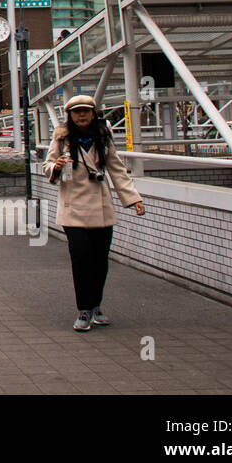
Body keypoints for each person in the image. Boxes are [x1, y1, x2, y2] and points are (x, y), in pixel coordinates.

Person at [41, 94, 146, 332]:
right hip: (73, 209)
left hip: (100, 208)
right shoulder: (62, 138)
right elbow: (47, 165)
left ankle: (96, 305)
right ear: (69, 115)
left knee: (100, 262)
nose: (81, 116)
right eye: (76, 112)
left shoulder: (102, 137)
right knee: (81, 260)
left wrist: (133, 199)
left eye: (85, 111)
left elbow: (117, 170)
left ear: (93, 113)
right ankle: (84, 309)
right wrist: (55, 167)